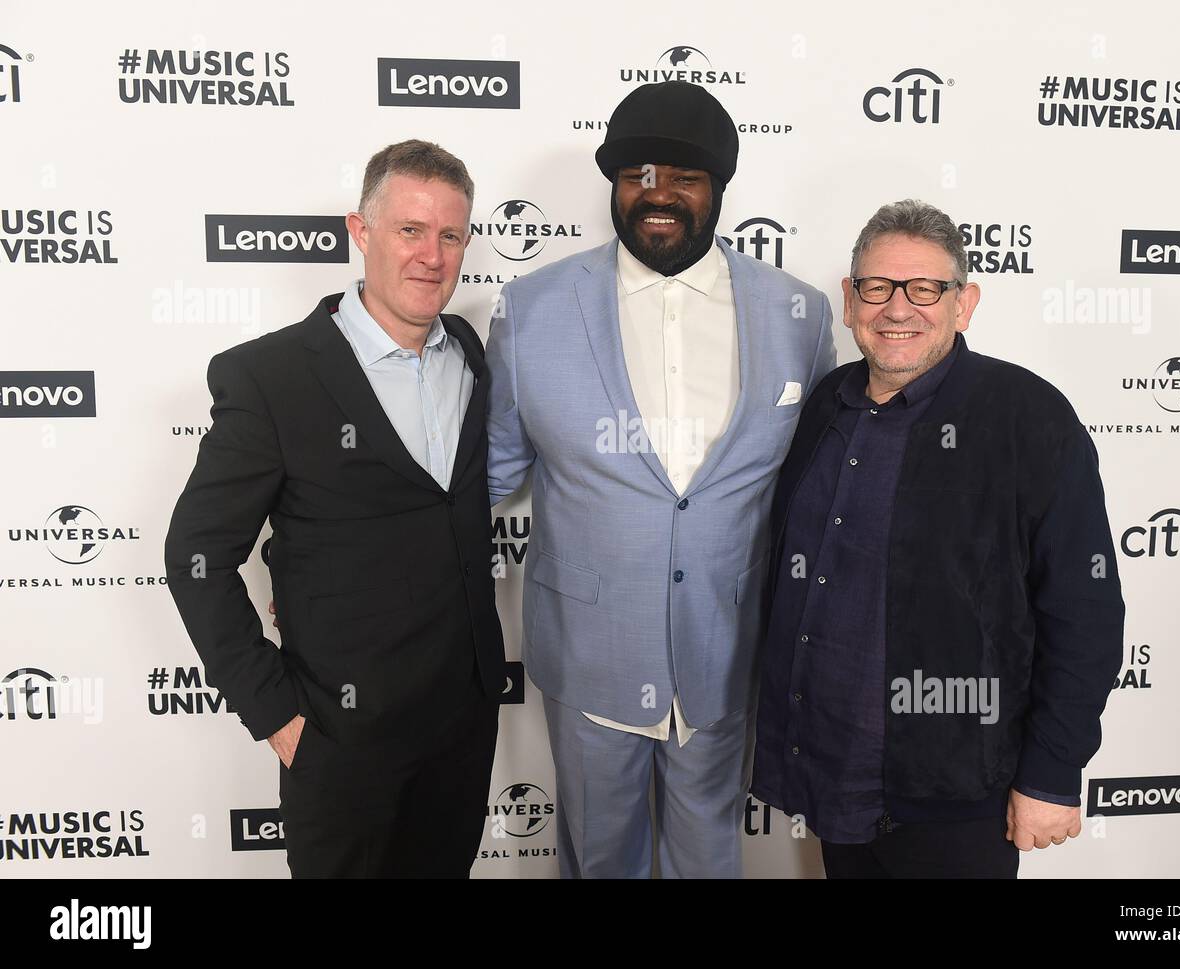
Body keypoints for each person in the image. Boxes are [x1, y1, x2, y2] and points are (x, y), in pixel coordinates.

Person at [486, 81, 836, 877]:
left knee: (709, 855)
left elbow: (817, 487)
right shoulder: (532, 308)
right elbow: (487, 475)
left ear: (718, 190)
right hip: (589, 650)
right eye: (638, 173)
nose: (659, 194)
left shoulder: (799, 314)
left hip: (726, 644)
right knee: (601, 856)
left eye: (685, 177)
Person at [751, 199, 1124, 878]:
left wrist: (1051, 772)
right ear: (850, 299)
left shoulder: (1029, 417)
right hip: (831, 778)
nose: (899, 308)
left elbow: (1085, 611)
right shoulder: (826, 405)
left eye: (925, 288)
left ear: (964, 302)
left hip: (959, 798)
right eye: (878, 286)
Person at [164, 140, 503, 878]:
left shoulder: (470, 354)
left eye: (450, 235)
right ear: (361, 231)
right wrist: (279, 719)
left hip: (462, 731)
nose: (431, 256)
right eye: (409, 230)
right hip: (341, 742)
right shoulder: (271, 376)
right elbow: (196, 557)